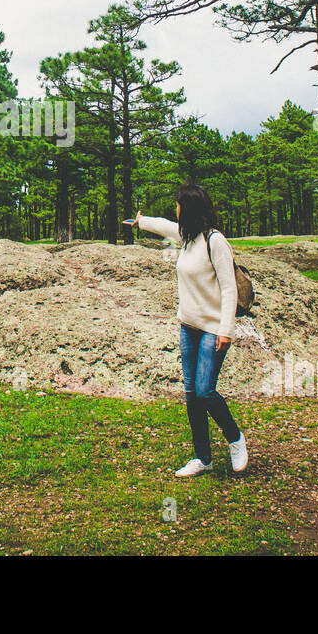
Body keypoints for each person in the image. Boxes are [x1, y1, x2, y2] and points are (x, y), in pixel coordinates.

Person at [133, 184, 249, 477]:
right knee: (191, 394)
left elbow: (229, 289)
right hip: (189, 327)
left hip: (213, 329)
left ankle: (235, 439)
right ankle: (203, 457)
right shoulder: (187, 238)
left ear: (190, 208)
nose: (176, 209)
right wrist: (141, 221)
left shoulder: (216, 241)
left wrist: (226, 330)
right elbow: (165, 226)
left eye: (178, 204)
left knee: (205, 390)